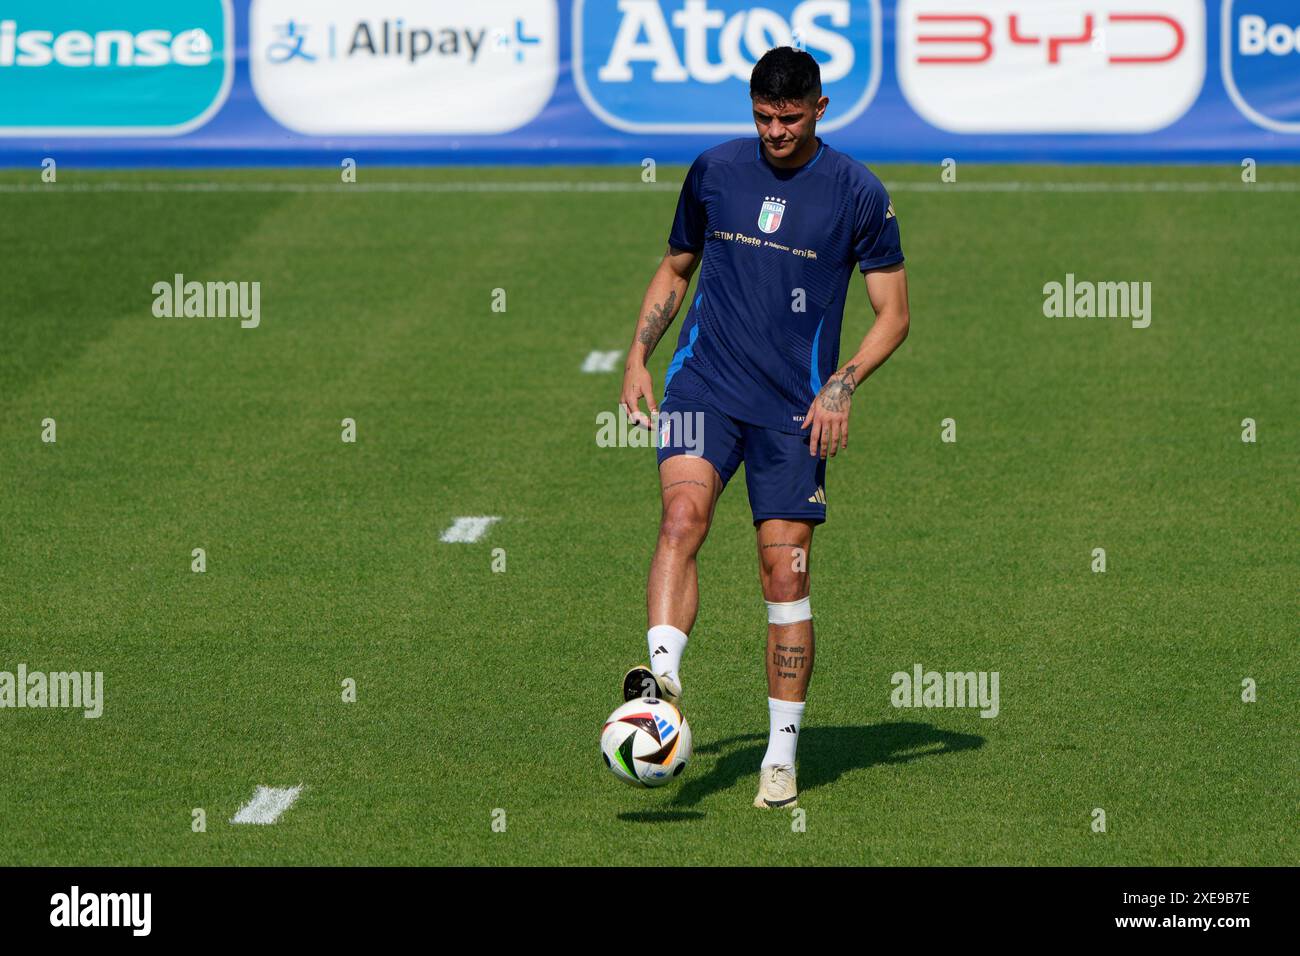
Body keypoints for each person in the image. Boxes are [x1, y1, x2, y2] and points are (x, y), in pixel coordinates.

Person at [619, 47, 911, 809]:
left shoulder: (858, 193)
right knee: (682, 515)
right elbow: (677, 266)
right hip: (704, 384)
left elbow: (895, 315)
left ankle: (780, 756)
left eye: (788, 117)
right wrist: (639, 353)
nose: (775, 131)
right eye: (762, 116)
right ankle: (662, 681)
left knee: (784, 577)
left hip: (794, 409)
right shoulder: (715, 170)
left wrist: (843, 383)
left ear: (821, 107)